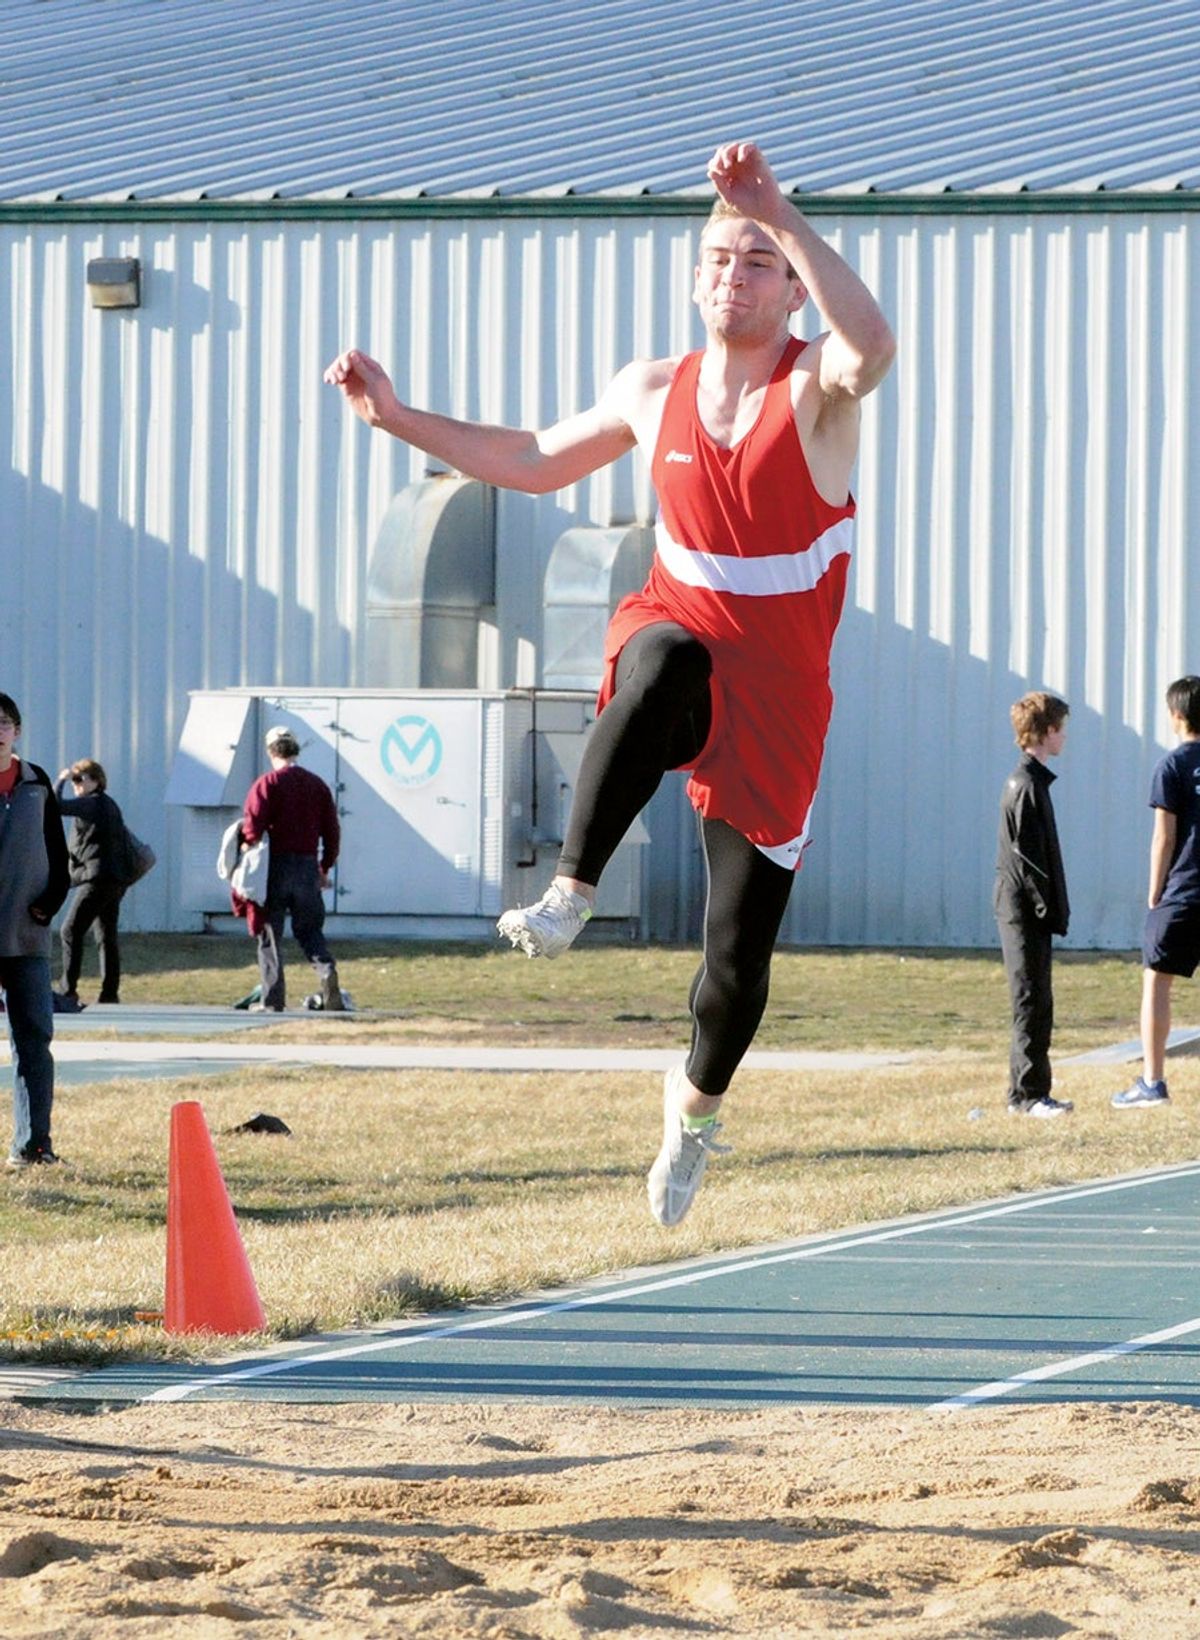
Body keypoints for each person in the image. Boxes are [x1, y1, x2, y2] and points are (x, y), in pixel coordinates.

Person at [325, 140, 894, 1224]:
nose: (735, 275)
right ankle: (571, 889)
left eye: (759, 263)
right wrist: (396, 418)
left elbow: (873, 344)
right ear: (694, 279)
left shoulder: (818, 388)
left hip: (781, 689)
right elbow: (536, 458)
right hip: (681, 626)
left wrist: (780, 212)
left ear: (792, 289)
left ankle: (695, 1112)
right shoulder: (652, 387)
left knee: (736, 963)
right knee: (663, 657)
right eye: (720, 258)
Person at [1113, 675, 1200, 1109]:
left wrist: (1155, 892)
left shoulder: (1172, 766)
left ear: (1176, 715)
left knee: (1157, 980)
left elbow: (1164, 838)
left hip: (1184, 890)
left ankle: (1153, 1081)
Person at [993, 692, 1072, 1118]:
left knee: (1039, 998)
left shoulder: (1034, 782)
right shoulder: (1023, 784)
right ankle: (1027, 1096)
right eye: (1060, 729)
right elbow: (1027, 861)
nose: (1064, 737)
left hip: (1032, 910)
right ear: (1045, 732)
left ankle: (1032, 1092)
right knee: (1028, 998)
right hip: (1022, 910)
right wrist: (1046, 908)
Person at [0, 693, 70, 1167]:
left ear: (17, 731)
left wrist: (50, 903)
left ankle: (34, 1145)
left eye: (4, 723)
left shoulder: (36, 782)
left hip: (26, 935)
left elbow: (58, 855)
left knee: (34, 1040)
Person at [241, 725, 345, 1013]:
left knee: (270, 935)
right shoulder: (317, 785)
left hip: (275, 867)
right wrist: (324, 866)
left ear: (270, 751)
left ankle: (272, 1000)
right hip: (307, 866)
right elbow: (332, 831)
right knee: (310, 931)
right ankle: (327, 973)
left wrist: (246, 846)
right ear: (296, 750)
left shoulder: (267, 784)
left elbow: (252, 828)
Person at [53, 759, 128, 1008]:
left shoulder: (92, 803)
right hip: (115, 878)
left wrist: (61, 779)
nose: (75, 784)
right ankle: (109, 993)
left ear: (96, 781)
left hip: (97, 878)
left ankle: (68, 990)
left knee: (70, 930)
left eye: (79, 779)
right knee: (106, 934)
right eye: (74, 779)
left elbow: (55, 805)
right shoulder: (108, 804)